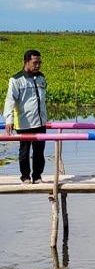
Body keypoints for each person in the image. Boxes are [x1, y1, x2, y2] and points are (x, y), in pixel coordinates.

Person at [3, 50, 47, 184]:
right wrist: (9, 120)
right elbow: (10, 100)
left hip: (40, 122)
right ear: (26, 62)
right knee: (24, 152)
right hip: (24, 123)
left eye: (39, 62)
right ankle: (26, 177)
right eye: (35, 63)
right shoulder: (16, 80)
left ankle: (37, 176)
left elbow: (42, 100)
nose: (38, 65)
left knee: (39, 152)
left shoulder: (41, 77)